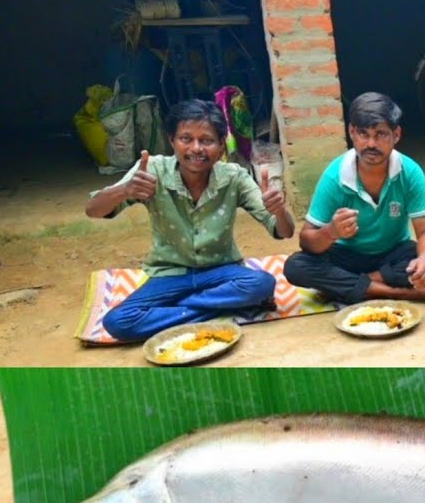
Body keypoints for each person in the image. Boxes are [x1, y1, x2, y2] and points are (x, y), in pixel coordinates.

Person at [85, 98, 294, 342]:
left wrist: (279, 211)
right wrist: (124, 190)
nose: (196, 148)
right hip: (169, 275)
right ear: (172, 140)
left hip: (221, 272)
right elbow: (93, 210)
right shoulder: (151, 170)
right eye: (186, 139)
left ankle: (177, 311)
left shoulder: (234, 176)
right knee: (118, 322)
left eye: (207, 141)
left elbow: (285, 231)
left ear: (221, 146)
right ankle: (217, 308)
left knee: (262, 283)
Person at [284, 92, 425, 304]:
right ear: (352, 132)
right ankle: (398, 293)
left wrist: (424, 261)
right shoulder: (335, 176)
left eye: (381, 134)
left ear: (396, 135)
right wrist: (331, 232)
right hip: (346, 256)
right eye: (363, 134)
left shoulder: (410, 172)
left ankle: (352, 286)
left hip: (392, 253)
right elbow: (306, 242)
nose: (371, 144)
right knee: (296, 266)